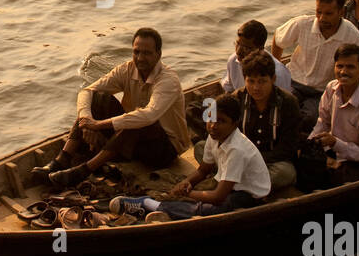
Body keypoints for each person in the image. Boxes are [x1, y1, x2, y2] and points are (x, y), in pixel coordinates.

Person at [38, 28, 191, 190]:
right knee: (98, 98)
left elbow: (149, 116)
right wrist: (87, 121)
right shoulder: (127, 69)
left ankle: (85, 170)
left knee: (138, 121)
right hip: (135, 141)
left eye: (146, 53)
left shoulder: (168, 80)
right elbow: (87, 91)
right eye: (136, 52)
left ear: (158, 55)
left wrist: (98, 125)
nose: (140, 58)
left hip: (165, 150)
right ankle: (62, 159)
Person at [111, 93, 268, 222]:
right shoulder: (214, 136)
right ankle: (169, 211)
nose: (213, 125)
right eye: (211, 118)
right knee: (194, 193)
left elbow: (218, 197)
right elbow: (203, 170)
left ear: (234, 124)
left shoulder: (236, 150)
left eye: (221, 121)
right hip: (230, 185)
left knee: (214, 209)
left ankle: (150, 205)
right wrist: (186, 183)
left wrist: (186, 193)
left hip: (249, 194)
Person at [271, 0, 359, 125]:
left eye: (328, 14)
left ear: (341, 12)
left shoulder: (353, 36)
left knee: (310, 119)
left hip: (322, 90)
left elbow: (357, 70)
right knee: (279, 110)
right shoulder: (302, 24)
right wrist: (277, 69)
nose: (322, 18)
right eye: (318, 12)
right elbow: (278, 39)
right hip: (294, 82)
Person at [308, 43, 359, 185]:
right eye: (340, 66)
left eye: (350, 67)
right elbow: (323, 123)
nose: (343, 72)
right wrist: (310, 145)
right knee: (301, 157)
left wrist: (335, 143)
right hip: (336, 151)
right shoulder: (331, 88)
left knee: (342, 179)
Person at [234, 52, 300, 190]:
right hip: (241, 160)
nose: (256, 87)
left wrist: (255, 160)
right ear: (244, 79)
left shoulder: (288, 102)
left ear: (273, 79)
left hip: (273, 162)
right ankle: (248, 185)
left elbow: (288, 147)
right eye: (251, 81)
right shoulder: (237, 99)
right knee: (202, 147)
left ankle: (234, 184)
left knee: (286, 173)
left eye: (262, 81)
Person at [221, 19, 292, 94]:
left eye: (246, 48)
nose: (238, 51)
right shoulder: (233, 61)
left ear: (260, 49)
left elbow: (284, 102)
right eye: (238, 44)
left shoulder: (278, 73)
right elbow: (229, 90)